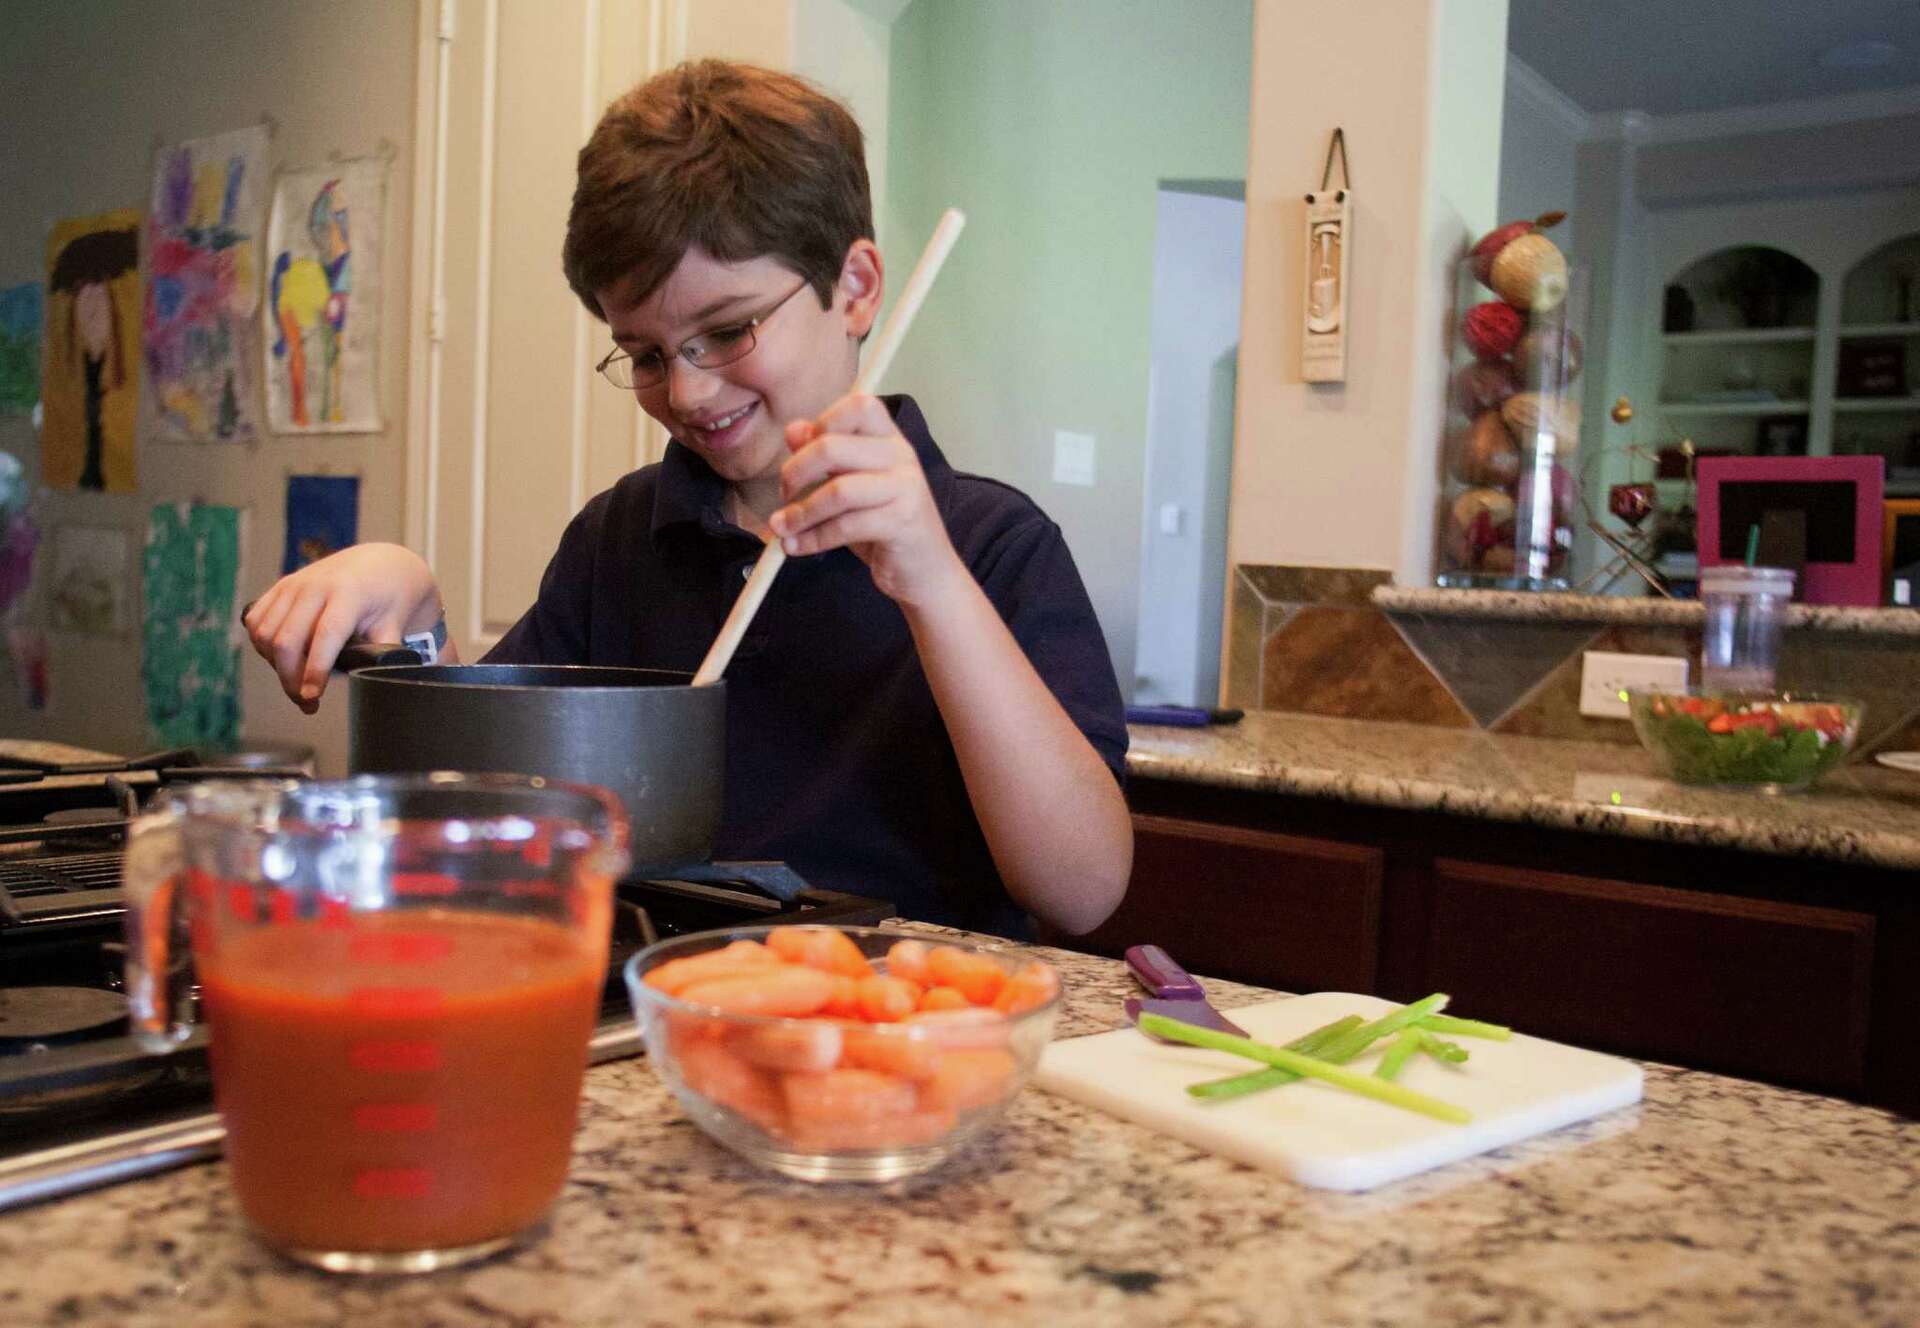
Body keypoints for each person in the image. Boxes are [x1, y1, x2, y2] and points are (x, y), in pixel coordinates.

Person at [244, 60, 1131, 938]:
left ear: (855, 289)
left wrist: (933, 584)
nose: (691, 393)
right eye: (647, 355)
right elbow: (477, 811)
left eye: (728, 331)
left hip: (900, 1034)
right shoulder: (617, 539)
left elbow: (1082, 889)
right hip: (651, 1017)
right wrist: (416, 621)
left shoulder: (995, 545)